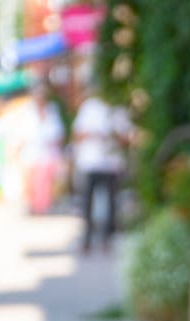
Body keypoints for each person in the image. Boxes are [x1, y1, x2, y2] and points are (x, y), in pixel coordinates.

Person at [71, 90, 132, 252]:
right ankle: (87, 239)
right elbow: (78, 133)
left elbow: (126, 138)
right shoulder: (90, 107)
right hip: (90, 163)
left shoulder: (118, 110)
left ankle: (107, 240)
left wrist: (112, 136)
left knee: (111, 204)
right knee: (87, 203)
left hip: (111, 164)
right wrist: (94, 135)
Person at [20, 83, 65, 214]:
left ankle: (44, 206)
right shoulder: (28, 111)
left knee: (46, 181)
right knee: (32, 180)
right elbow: (23, 133)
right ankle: (33, 205)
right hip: (32, 152)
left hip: (48, 152)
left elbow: (58, 132)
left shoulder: (52, 110)